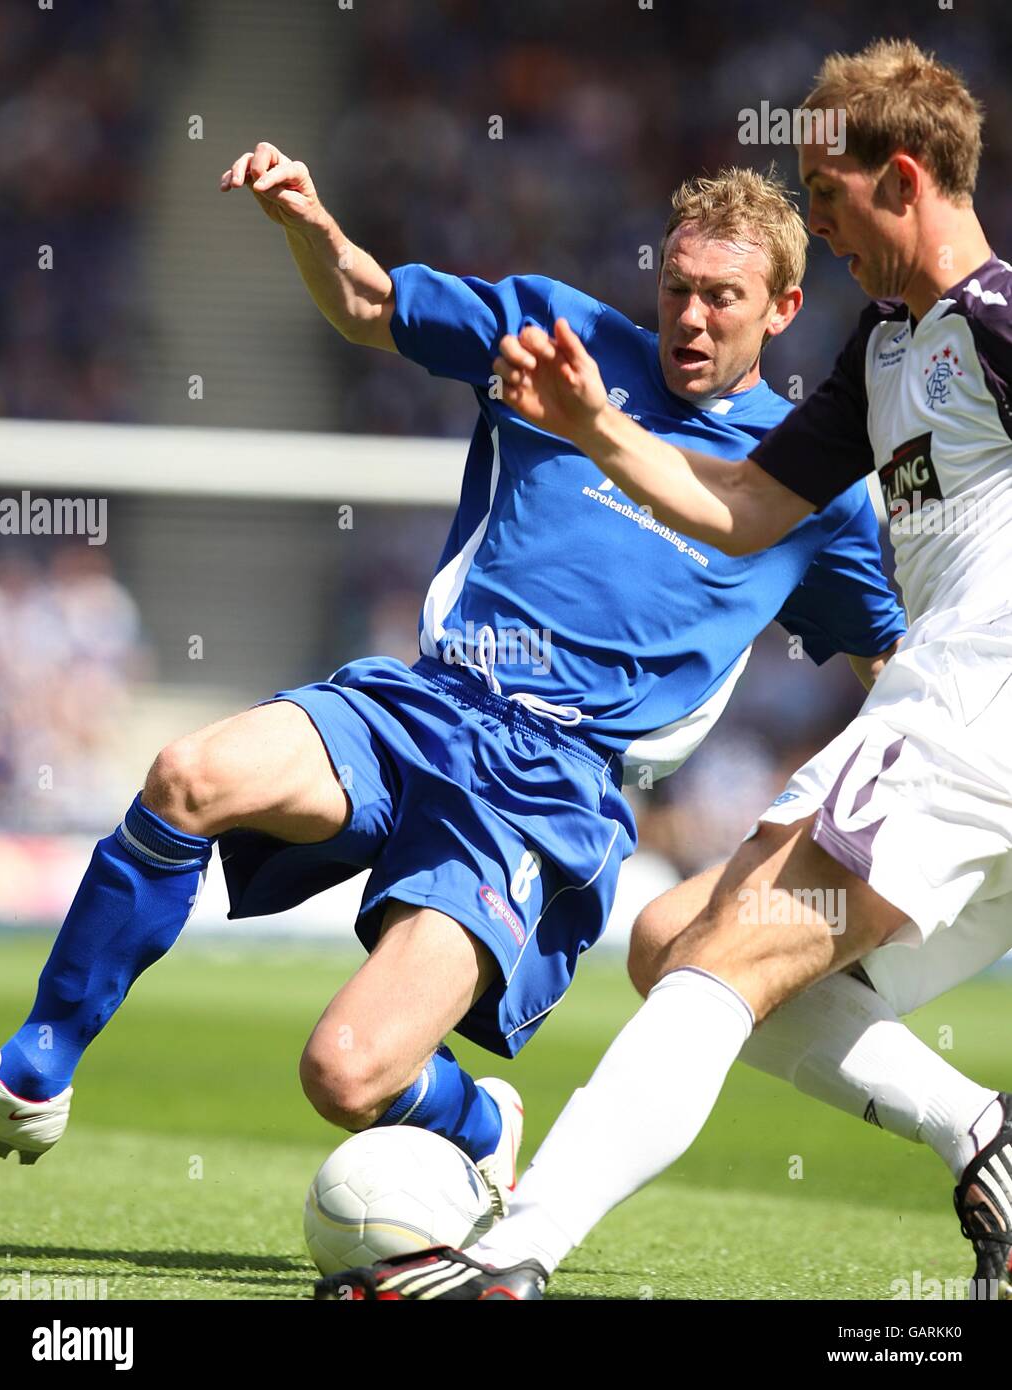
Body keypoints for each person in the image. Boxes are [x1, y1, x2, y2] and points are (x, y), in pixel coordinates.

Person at [0, 158, 906, 1210]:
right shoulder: (557, 336)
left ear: (782, 308)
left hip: (547, 790)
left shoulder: (806, 491)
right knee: (191, 772)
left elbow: (892, 659)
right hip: (425, 704)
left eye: (721, 298)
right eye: (676, 289)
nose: (690, 317)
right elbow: (372, 305)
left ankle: (477, 1118)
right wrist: (309, 223)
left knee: (344, 1073)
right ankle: (34, 1068)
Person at [315, 38, 1012, 1301]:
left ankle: (507, 1261)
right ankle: (983, 1136)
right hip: (963, 740)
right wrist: (594, 425)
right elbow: (742, 505)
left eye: (827, 199)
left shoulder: (999, 324)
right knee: (672, 936)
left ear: (901, 178)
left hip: (977, 716)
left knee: (719, 959)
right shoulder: (886, 353)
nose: (821, 226)